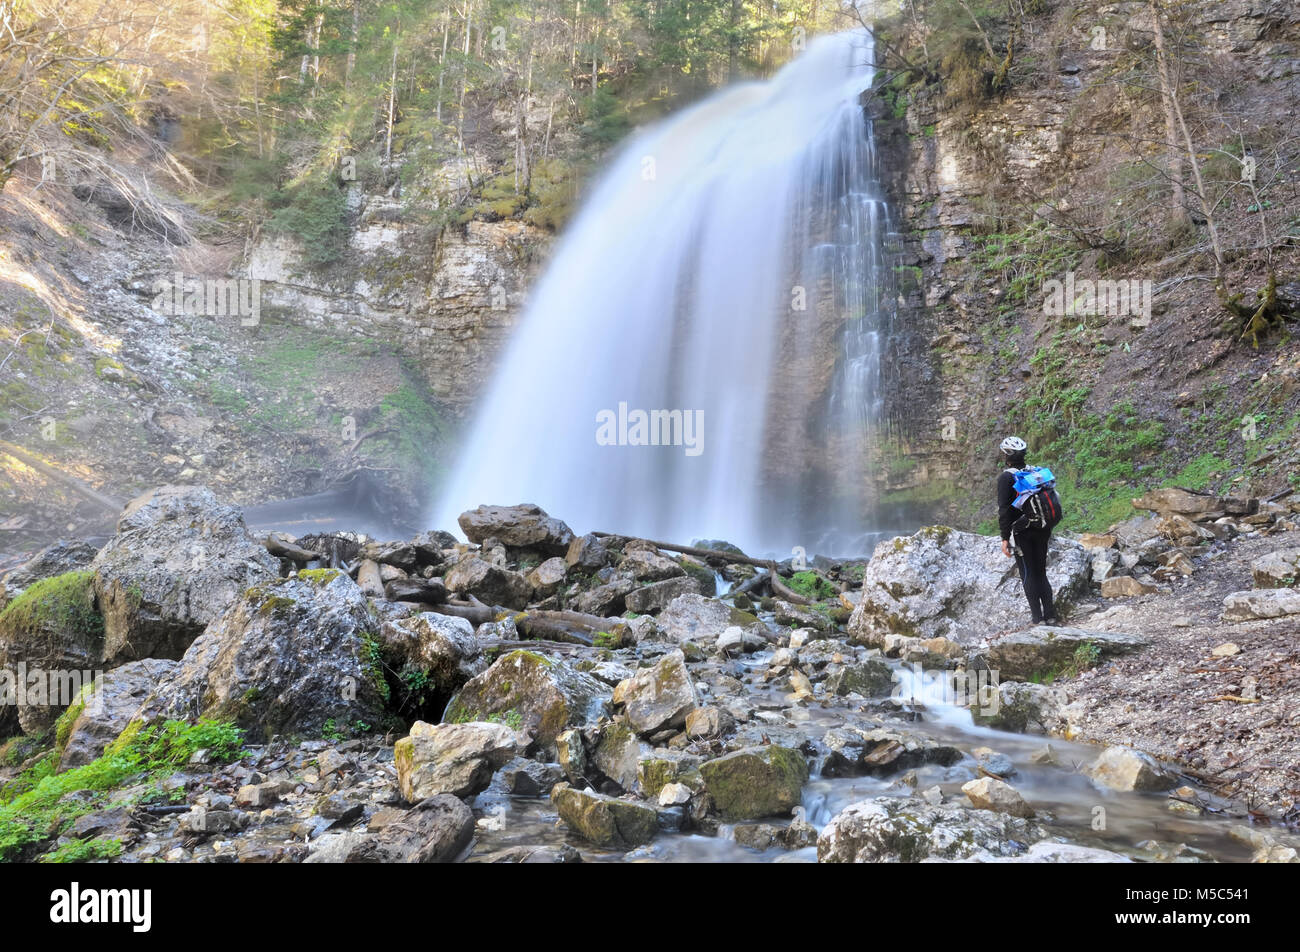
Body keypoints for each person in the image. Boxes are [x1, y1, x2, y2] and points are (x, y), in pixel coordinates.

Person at [997, 436, 1059, 626]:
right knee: (1041, 571)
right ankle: (1051, 615)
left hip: (1022, 532)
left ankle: (1037, 619)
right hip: (1042, 528)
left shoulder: (1006, 477)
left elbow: (1005, 510)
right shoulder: (1036, 473)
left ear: (1007, 456)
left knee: (1028, 573)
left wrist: (1004, 537)